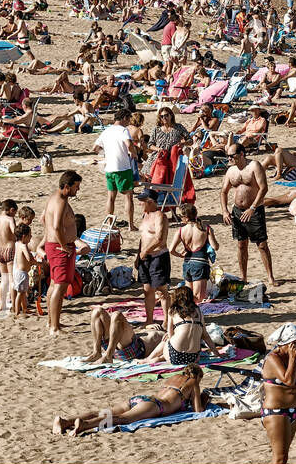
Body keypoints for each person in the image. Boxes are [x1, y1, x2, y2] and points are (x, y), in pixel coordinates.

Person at [52, 365, 203, 436]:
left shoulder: (174, 377)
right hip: (155, 406)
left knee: (102, 411)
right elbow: (198, 410)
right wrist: (204, 398)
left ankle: (65, 421)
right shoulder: (193, 382)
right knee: (122, 419)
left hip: (142, 398)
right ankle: (85, 425)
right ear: (197, 377)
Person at [220, 142, 277, 287]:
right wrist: (225, 211)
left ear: (241, 154)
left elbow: (263, 188)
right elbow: (223, 192)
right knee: (241, 244)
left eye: (231, 156)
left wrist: (252, 207)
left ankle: (270, 277)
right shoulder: (231, 171)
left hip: (254, 210)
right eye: (228, 156)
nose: (229, 158)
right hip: (238, 211)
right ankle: (243, 277)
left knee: (262, 244)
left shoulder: (254, 166)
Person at [42, 171, 82, 335]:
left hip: (53, 245)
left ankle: (52, 322)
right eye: (76, 187)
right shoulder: (61, 202)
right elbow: (57, 226)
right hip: (59, 248)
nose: (77, 190)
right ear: (67, 186)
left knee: (54, 284)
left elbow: (43, 218)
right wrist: (64, 245)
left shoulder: (54, 198)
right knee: (60, 286)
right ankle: (54, 327)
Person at [262, 323, 296, 464]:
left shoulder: (287, 357)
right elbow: (288, 381)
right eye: (295, 344)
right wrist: (293, 358)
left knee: (283, 457)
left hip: (292, 411)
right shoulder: (273, 358)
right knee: (279, 458)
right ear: (286, 343)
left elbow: (294, 382)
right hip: (276, 412)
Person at [94, 108, 137, 228]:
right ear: (124, 118)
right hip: (122, 167)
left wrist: (106, 153)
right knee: (128, 196)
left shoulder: (106, 131)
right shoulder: (123, 130)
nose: (129, 122)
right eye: (128, 119)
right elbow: (129, 144)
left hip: (109, 168)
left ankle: (110, 224)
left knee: (111, 197)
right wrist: (133, 153)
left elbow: (95, 148)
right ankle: (131, 225)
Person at [133, 189, 171, 325]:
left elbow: (159, 238)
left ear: (150, 202)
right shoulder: (145, 216)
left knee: (162, 290)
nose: (140, 205)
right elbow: (143, 239)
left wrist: (146, 251)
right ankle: (149, 320)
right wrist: (139, 256)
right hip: (145, 258)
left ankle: (166, 321)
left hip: (158, 257)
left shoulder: (160, 215)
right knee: (147, 290)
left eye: (142, 202)